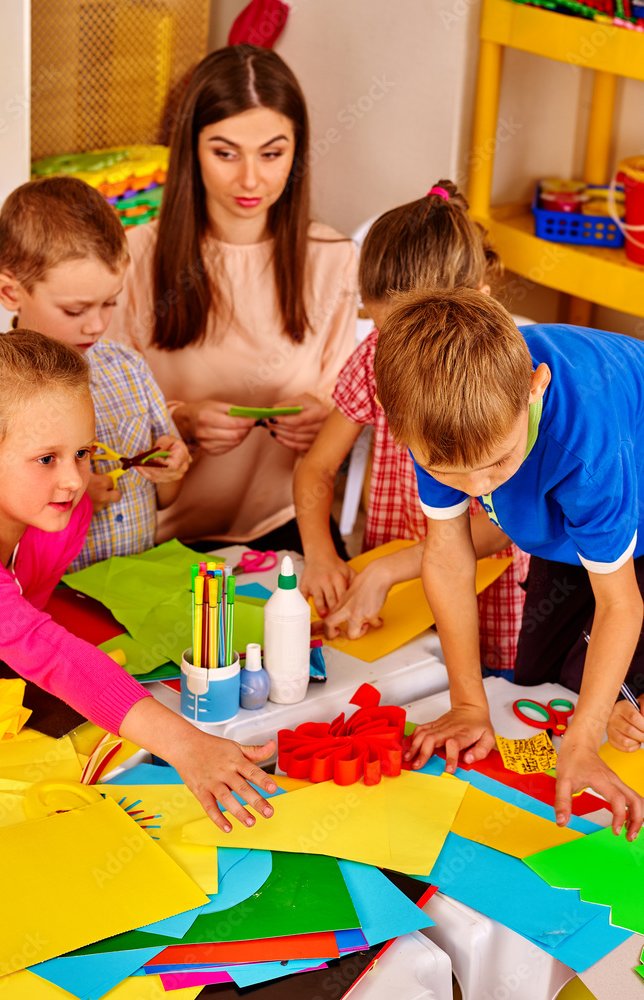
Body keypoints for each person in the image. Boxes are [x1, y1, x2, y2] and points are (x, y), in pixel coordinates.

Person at [0, 328, 276, 830]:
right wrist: (185, 744)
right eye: (46, 459)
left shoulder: (64, 516)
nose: (75, 480)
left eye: (82, 452)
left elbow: (14, 623)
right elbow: (44, 650)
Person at [373, 285, 644, 839]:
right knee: (541, 680)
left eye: (497, 463)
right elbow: (449, 558)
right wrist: (467, 703)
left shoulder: (584, 448)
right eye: (451, 473)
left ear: (535, 388)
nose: (477, 488)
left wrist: (585, 739)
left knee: (624, 711)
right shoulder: (434, 412)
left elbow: (620, 603)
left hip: (623, 490)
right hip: (568, 520)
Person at [106, 44, 357, 552]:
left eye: (272, 154)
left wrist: (324, 419)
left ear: (297, 151)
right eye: (225, 153)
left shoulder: (334, 258)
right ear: (190, 150)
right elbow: (103, 419)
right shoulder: (132, 258)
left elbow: (345, 401)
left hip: (287, 522)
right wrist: (179, 421)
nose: (250, 179)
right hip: (156, 536)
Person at [295, 183, 528, 677]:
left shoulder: (504, 371)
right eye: (386, 331)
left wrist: (390, 569)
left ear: (477, 303)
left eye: (412, 332)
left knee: (484, 690)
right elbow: (316, 467)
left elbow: (502, 525)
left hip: (487, 582)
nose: (396, 350)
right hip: (398, 581)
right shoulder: (372, 360)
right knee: (401, 679)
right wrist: (319, 554)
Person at [0, 176, 191, 571]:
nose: (96, 325)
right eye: (75, 310)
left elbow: (167, 498)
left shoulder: (128, 368)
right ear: (11, 293)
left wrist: (171, 469)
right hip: (47, 596)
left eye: (109, 303)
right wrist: (72, 502)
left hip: (136, 582)